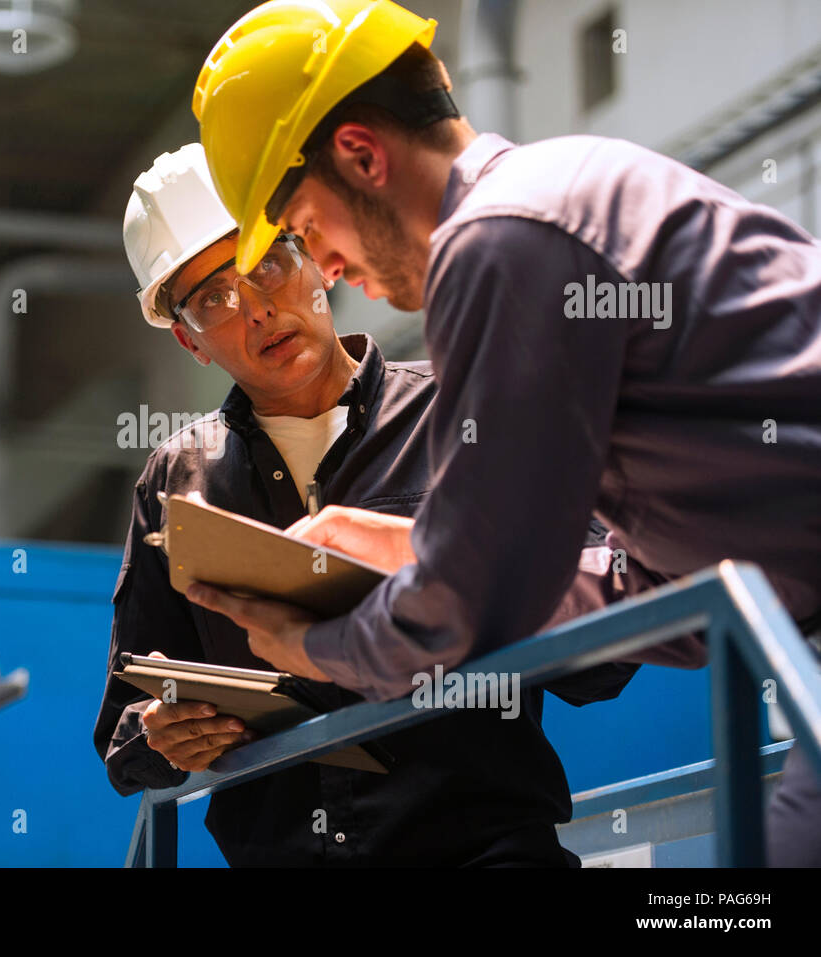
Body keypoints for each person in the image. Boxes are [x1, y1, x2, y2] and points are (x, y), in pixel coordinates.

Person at [187, 0, 821, 866]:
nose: (325, 267)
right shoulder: (555, 199)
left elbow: (469, 608)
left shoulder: (502, 243)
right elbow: (643, 587)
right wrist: (417, 549)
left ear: (362, 155)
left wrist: (312, 646)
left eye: (303, 231)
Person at [93, 143, 645, 867]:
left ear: (316, 261)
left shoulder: (465, 416)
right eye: (214, 299)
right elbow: (125, 728)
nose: (257, 307)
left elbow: (607, 650)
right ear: (191, 342)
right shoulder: (177, 482)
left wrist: (457, 594)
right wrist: (161, 731)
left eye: (267, 263)